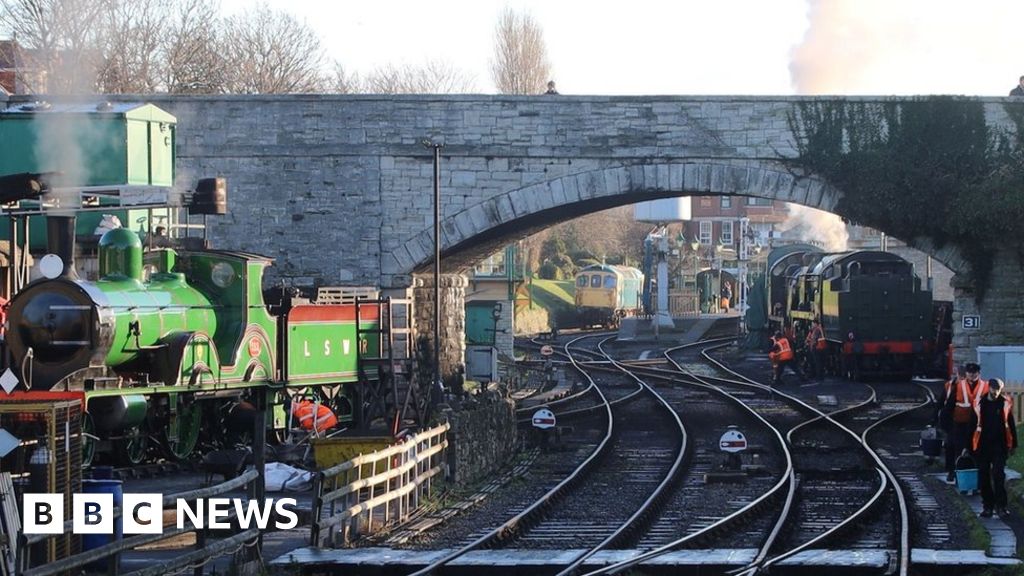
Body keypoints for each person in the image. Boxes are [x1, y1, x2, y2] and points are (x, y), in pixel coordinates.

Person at [972, 378, 1017, 517]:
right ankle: (988, 506)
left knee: (998, 474)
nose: (995, 392)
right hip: (983, 445)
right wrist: (968, 446)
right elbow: (972, 425)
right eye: (993, 388)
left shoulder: (1005, 403)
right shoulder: (980, 403)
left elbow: (1011, 424)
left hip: (1000, 445)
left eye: (998, 389)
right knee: (984, 476)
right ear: (989, 388)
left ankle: (1001, 506)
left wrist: (1014, 444)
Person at [941, 362, 989, 483]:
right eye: (970, 373)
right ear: (966, 373)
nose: (972, 375)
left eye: (974, 373)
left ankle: (977, 480)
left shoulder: (985, 386)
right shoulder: (958, 386)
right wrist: (947, 426)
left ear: (978, 373)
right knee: (959, 450)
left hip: (978, 426)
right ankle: (958, 476)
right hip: (961, 425)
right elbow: (949, 406)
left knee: (977, 451)